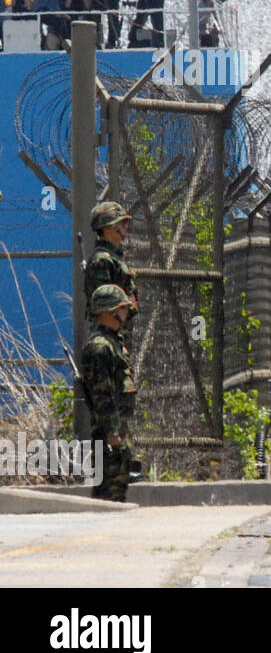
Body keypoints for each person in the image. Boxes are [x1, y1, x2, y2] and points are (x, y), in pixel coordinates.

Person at [80, 285, 137, 502]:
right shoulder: (100, 347)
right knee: (107, 493)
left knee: (118, 489)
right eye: (122, 307)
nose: (126, 312)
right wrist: (113, 432)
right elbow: (102, 395)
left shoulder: (114, 343)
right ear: (109, 311)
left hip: (117, 429)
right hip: (107, 434)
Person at [84, 201, 138, 321]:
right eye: (122, 223)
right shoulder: (102, 260)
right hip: (109, 328)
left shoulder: (113, 258)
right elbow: (105, 306)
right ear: (110, 227)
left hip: (118, 329)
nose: (125, 227)